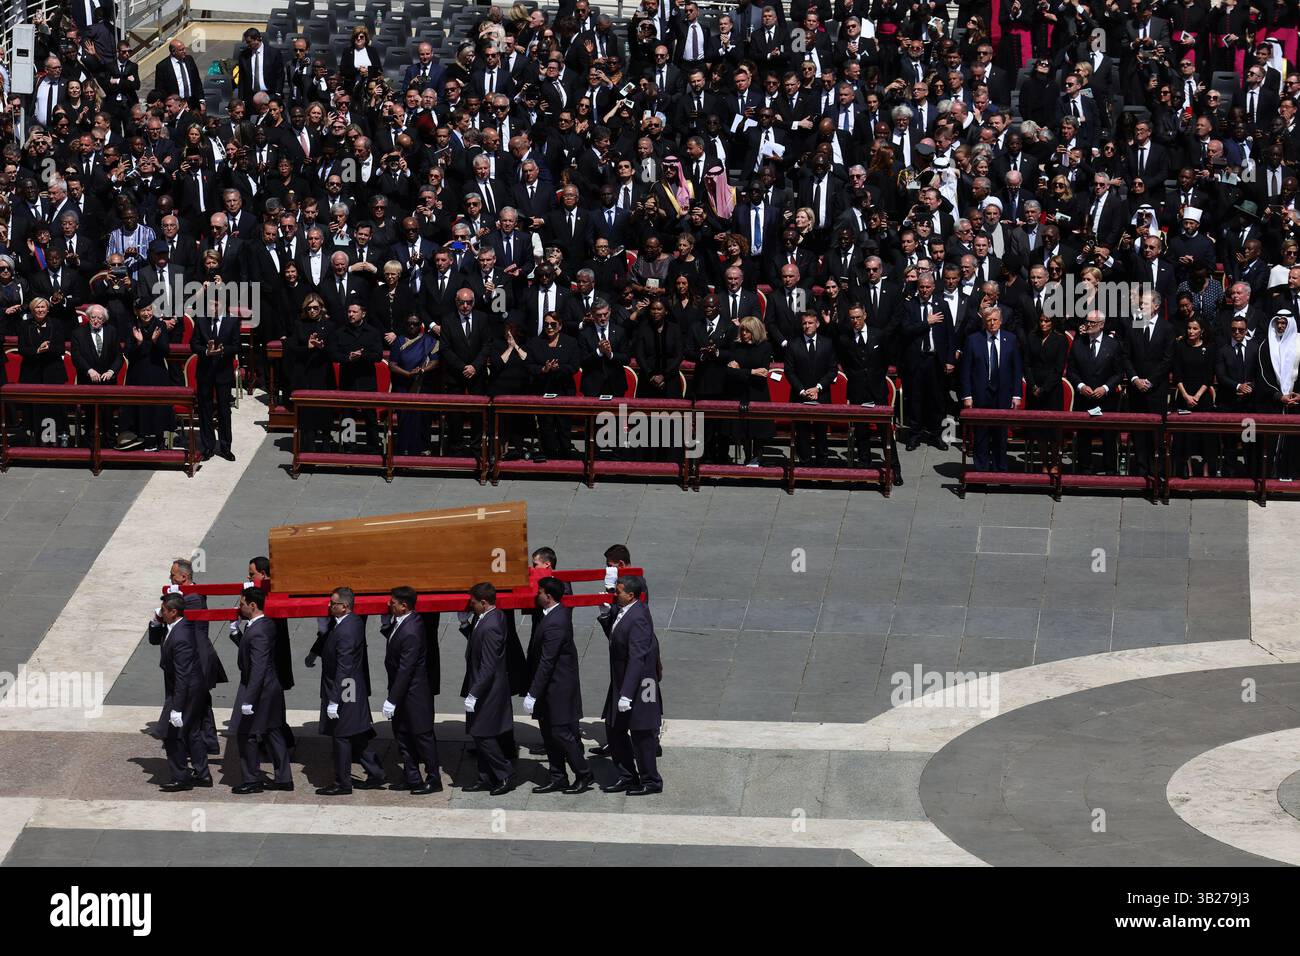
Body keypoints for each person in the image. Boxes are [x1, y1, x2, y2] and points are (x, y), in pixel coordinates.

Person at [523, 577, 594, 794]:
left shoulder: (556, 621)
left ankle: (583, 773)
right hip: (549, 689)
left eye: (540, 592)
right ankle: (558, 776)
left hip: (558, 689)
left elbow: (547, 661)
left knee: (561, 734)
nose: (538, 595)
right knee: (549, 734)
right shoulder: (552, 615)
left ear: (549, 596)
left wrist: (532, 693)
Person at [315, 587, 385, 796]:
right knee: (354, 732)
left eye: (333, 603)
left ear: (344, 606)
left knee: (341, 734)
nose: (329, 606)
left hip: (345, 686)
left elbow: (344, 667)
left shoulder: (346, 630)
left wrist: (335, 700)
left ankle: (343, 782)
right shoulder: (350, 622)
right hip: (350, 686)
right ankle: (375, 772)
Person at [597, 575, 663, 796]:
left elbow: (637, 657)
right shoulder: (623, 611)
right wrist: (606, 615)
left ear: (631, 595)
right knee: (614, 729)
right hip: (622, 682)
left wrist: (626, 694)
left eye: (618, 592)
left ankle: (650, 780)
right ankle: (627, 776)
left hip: (640, 685)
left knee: (642, 734)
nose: (615, 594)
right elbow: (616, 640)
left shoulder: (638, 617)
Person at [230, 587, 293, 794]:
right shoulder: (261, 626)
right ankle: (283, 778)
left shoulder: (259, 631)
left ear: (252, 605)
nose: (239, 608)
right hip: (269, 689)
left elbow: (258, 667)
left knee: (246, 733)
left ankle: (252, 779)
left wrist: (249, 699)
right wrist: (236, 633)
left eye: (241, 604)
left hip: (261, 691)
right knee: (272, 731)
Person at [381, 586, 442, 795]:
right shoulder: (404, 623)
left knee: (422, 737)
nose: (389, 604)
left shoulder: (412, 631)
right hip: (403, 693)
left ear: (404, 606)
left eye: (393, 602)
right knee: (403, 735)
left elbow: (405, 670)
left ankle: (434, 779)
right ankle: (412, 777)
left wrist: (392, 699)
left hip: (414, 695)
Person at [460, 582, 516, 795]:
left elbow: (489, 665)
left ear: (484, 603)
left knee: (483, 734)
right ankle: (485, 777)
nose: (470, 606)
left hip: (488, 690)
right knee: (478, 733)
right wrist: (466, 626)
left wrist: (474, 692)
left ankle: (504, 773)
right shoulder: (492, 617)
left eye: (473, 603)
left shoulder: (491, 625)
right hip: (484, 687)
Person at [156, 593, 213, 792]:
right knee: (192, 732)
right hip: (190, 688)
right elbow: (155, 639)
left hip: (185, 691)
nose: (160, 612)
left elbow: (183, 676)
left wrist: (177, 708)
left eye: (163, 610)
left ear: (173, 612)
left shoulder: (180, 636)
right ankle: (202, 773)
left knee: (171, 733)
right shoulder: (177, 627)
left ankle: (181, 777)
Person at [960, 306, 1023, 473]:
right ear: (984, 322)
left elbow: (1016, 370)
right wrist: (967, 395)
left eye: (995, 320)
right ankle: (981, 470)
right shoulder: (973, 340)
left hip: (1003, 394)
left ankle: (1000, 469)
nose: (992, 323)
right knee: (981, 433)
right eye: (989, 320)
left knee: (1000, 434)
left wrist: (1017, 395)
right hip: (981, 393)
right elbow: (966, 370)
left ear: (1001, 321)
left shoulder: (1010, 339)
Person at [189, 305, 241, 462]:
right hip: (205, 372)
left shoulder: (232, 321)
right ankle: (208, 447)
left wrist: (223, 350)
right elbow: (194, 344)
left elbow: (237, 346)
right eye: (211, 304)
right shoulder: (201, 320)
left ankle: (226, 447)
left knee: (224, 410)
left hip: (223, 372)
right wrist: (206, 351)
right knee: (205, 409)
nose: (214, 307)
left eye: (217, 304)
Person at [723, 315, 774, 466]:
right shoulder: (736, 346)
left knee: (757, 429)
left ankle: (758, 456)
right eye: (742, 330)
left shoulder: (765, 347)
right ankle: (747, 457)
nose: (744, 333)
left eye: (747, 330)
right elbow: (730, 372)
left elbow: (762, 375)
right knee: (743, 429)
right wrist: (751, 372)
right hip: (740, 392)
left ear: (755, 331)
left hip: (758, 392)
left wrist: (741, 370)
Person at [1171, 317, 1216, 478]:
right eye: (1189, 328)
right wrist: (1186, 395)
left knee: (1206, 436)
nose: (1191, 331)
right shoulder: (1180, 346)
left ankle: (1205, 470)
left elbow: (1209, 375)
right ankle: (1187, 468)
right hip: (1184, 395)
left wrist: (1197, 396)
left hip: (1202, 396)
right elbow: (1177, 374)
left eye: (1195, 328)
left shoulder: (1209, 348)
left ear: (1201, 331)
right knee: (1184, 435)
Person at [1023, 312, 1068, 472]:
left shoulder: (1060, 339)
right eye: (1041, 321)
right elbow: (1026, 364)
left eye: (1047, 321)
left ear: (1053, 323)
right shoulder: (1031, 337)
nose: (1043, 324)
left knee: (1053, 429)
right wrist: (1033, 386)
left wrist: (1044, 389)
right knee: (1039, 428)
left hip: (1052, 389)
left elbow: (1058, 368)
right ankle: (1043, 462)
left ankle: (1055, 462)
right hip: (1034, 387)